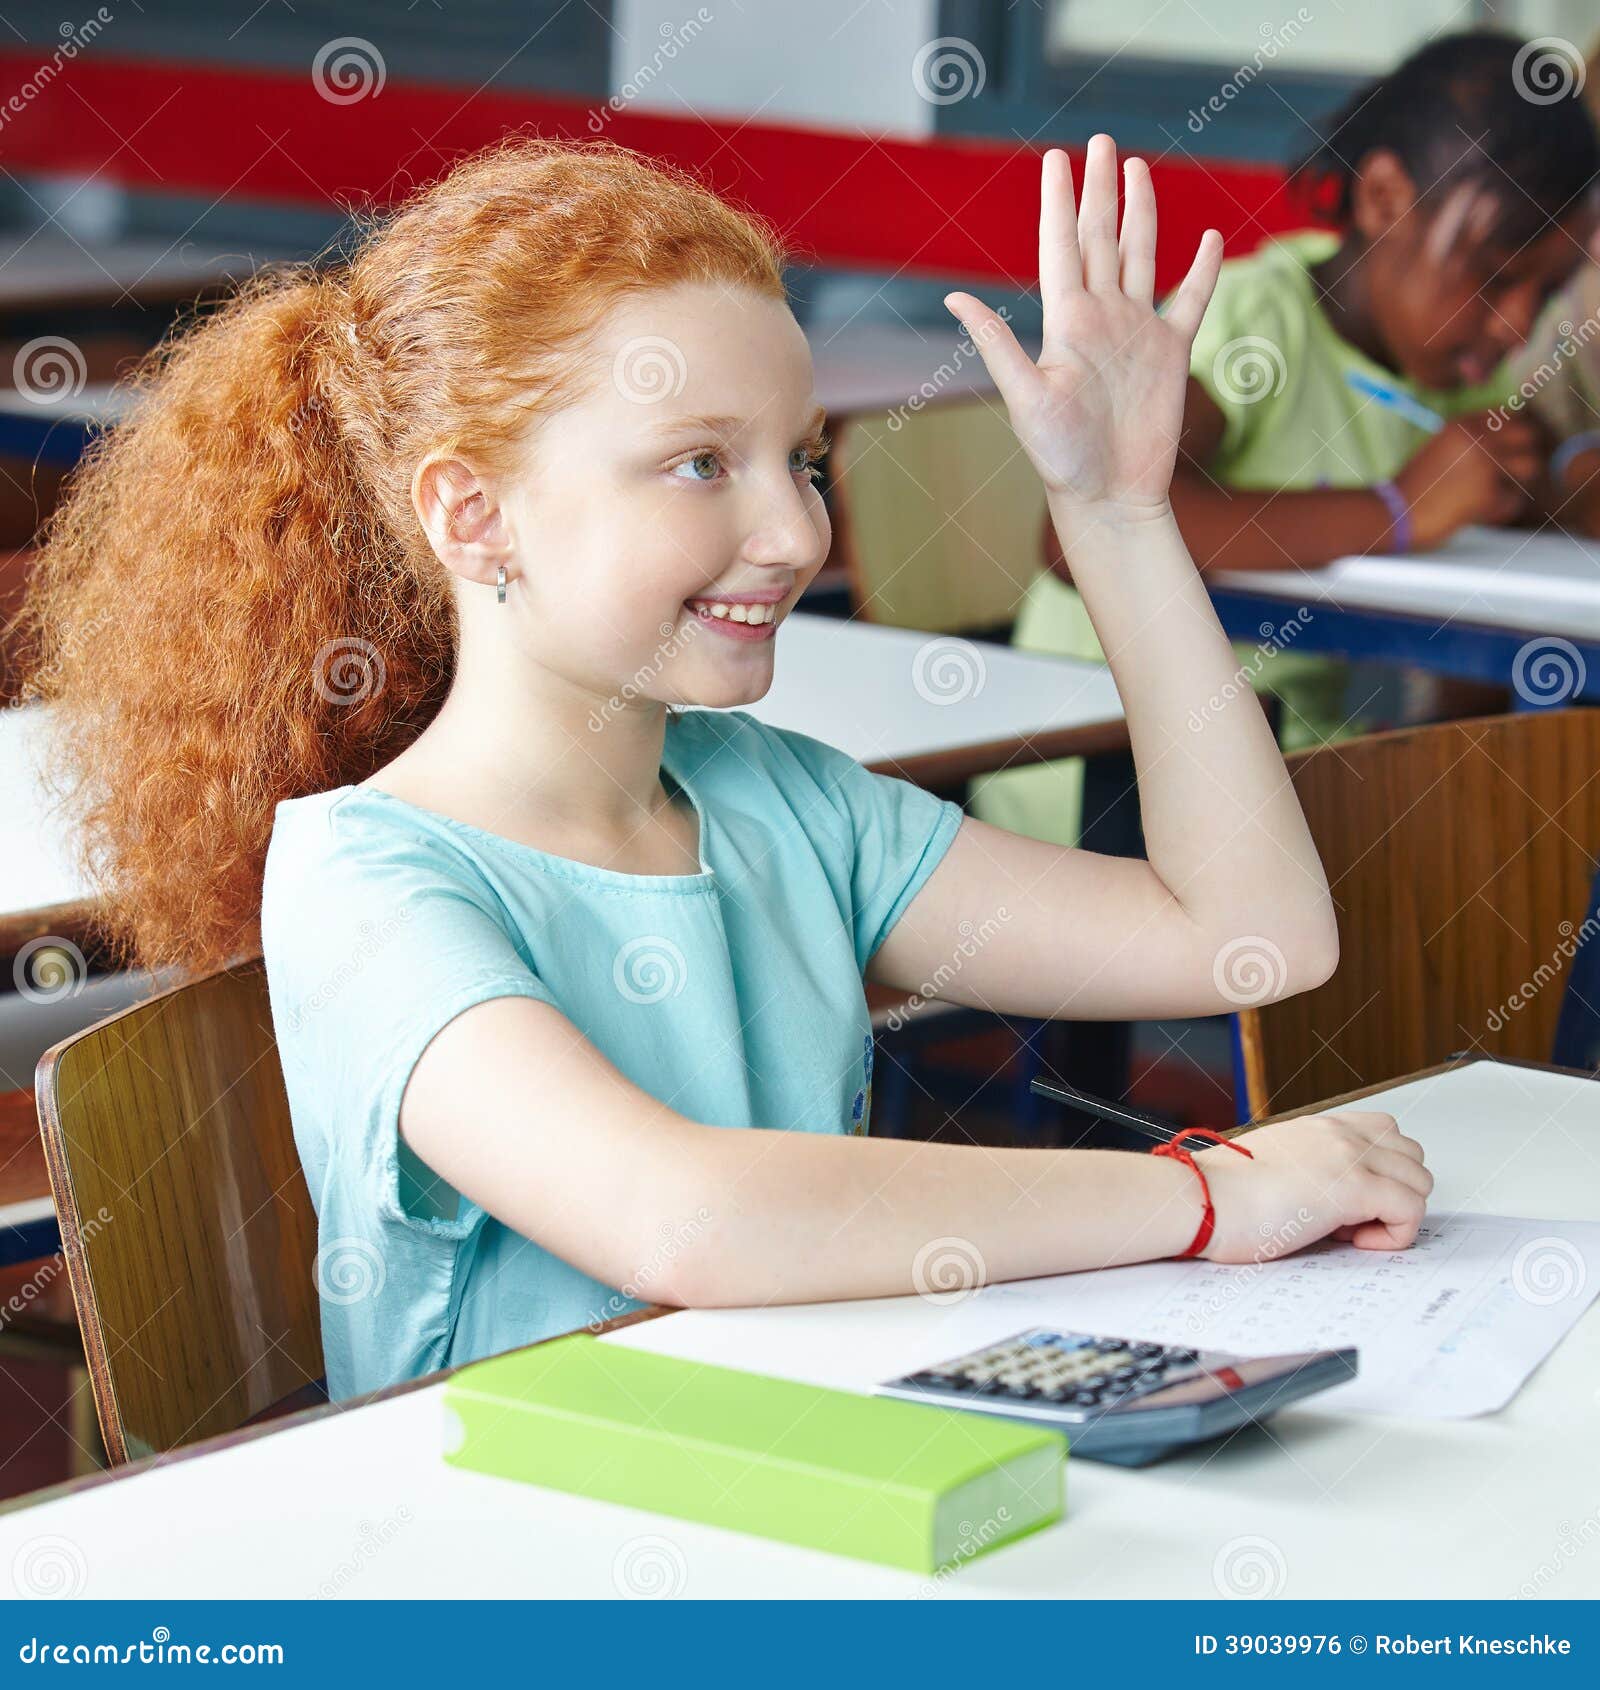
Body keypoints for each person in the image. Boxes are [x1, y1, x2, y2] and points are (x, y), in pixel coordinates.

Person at [11, 135, 1430, 1401]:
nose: (796, 533)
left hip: (819, 1476)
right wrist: (1198, 1197)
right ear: (471, 511)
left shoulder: (786, 802)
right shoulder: (364, 878)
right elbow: (678, 1216)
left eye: (800, 462)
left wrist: (1118, 514)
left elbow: (1254, 942)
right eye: (701, 464)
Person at [974, 30, 1600, 847]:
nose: (1517, 326)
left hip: (1288, 769)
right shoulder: (1255, 324)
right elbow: (1077, 530)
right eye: (1494, 275)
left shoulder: (1466, 378)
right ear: (1384, 199)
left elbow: (1491, 577)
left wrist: (1548, 488)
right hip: (1103, 773)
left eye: (1546, 291)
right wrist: (1398, 510)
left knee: (1523, 837)